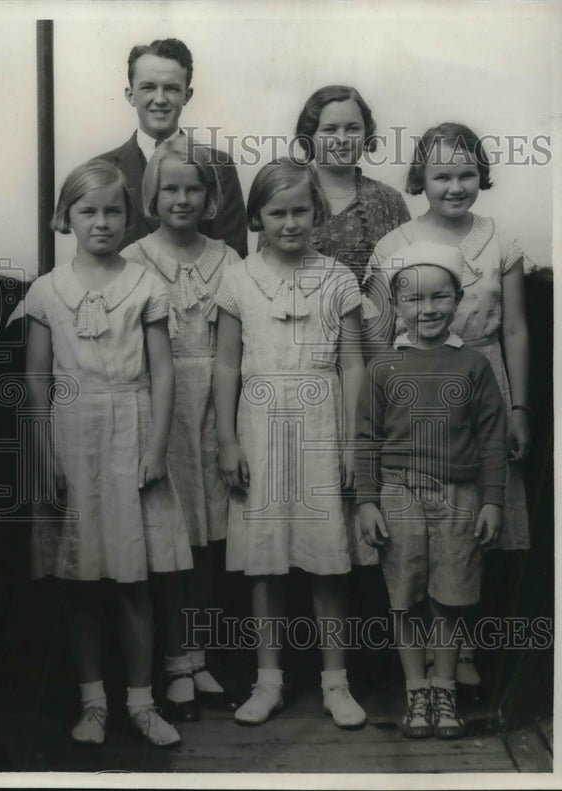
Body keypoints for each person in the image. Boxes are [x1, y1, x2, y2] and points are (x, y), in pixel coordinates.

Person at [25, 159, 193, 747]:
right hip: (74, 440)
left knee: (132, 579)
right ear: (64, 218)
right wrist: (45, 455)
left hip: (132, 433)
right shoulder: (47, 290)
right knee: (81, 579)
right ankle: (92, 702)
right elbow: (37, 381)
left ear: (129, 215)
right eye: (88, 211)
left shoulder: (146, 284)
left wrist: (154, 450)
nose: (102, 222)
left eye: (113, 211)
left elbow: (165, 374)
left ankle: (143, 703)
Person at [367, 123, 531, 691]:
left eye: (466, 174)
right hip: (417, 390)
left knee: (471, 526)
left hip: (483, 380)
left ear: (480, 175)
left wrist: (520, 408)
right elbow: (383, 331)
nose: (455, 186)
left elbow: (514, 328)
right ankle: (427, 672)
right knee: (419, 534)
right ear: (422, 178)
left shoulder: (500, 239)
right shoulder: (396, 245)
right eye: (442, 175)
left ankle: (456, 652)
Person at [214, 158, 367, 728]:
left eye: (301, 210)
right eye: (276, 212)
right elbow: (227, 365)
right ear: (256, 217)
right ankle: (269, 680)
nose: (290, 222)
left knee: (328, 561)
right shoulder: (238, 277)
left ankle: (336, 682)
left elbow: (354, 364)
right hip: (259, 425)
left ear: (317, 212)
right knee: (265, 563)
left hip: (323, 427)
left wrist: (355, 443)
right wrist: (227, 439)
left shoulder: (337, 278)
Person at [355, 241, 507, 739]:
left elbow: (491, 440)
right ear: (396, 307)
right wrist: (368, 502)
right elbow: (366, 439)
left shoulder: (473, 367)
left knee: (449, 597)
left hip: (459, 496)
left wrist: (491, 501)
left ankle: (444, 691)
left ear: (459, 298)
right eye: (415, 299)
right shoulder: (384, 367)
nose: (429, 309)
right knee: (405, 598)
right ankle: (415, 690)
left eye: (440, 297)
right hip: (398, 494)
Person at [123, 136, 241, 720]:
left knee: (210, 539)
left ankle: (200, 657)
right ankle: (174, 661)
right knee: (171, 540)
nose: (183, 197)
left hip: (218, 404)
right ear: (152, 194)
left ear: (211, 197)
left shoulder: (227, 259)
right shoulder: (137, 259)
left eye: (194, 188)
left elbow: (237, 345)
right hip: (162, 406)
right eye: (170, 187)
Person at [97, 38, 248, 255]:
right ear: (131, 95)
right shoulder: (102, 171)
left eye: (171, 89)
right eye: (148, 87)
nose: (159, 99)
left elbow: (233, 261)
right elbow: (94, 261)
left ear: (187, 95)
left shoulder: (219, 167)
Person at [291, 85, 410, 292]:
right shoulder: (288, 198)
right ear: (309, 136)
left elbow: (409, 278)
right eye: (329, 129)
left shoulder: (389, 201)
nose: (342, 139)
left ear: (366, 134)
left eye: (353, 128)